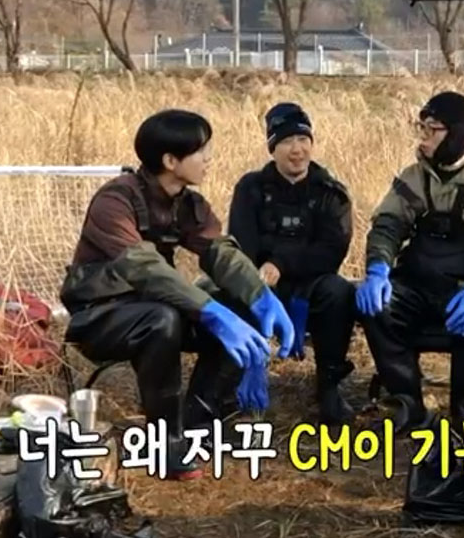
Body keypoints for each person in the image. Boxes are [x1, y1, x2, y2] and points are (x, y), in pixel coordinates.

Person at [59, 109, 294, 481]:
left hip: (155, 309)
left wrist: (260, 296)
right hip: (101, 319)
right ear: (170, 161)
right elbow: (144, 268)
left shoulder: (187, 204)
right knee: (164, 319)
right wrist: (211, 312)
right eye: (200, 151)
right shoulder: (115, 201)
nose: (209, 158)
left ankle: (198, 424)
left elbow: (220, 253)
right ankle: (165, 441)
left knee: (237, 307)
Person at [356, 90, 464, 432]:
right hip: (417, 285)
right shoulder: (414, 177)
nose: (423, 137)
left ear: (456, 134)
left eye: (432, 130)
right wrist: (377, 268)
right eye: (421, 128)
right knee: (377, 308)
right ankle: (408, 404)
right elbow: (388, 226)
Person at [226, 102, 358, 425]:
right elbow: (242, 245)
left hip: (311, 284)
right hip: (262, 283)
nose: (297, 150)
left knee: (339, 292)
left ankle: (329, 385)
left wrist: (281, 263)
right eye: (286, 141)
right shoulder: (251, 188)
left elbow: (331, 251)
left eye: (303, 140)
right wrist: (261, 273)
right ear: (272, 148)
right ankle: (235, 379)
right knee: (231, 290)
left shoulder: (330, 193)